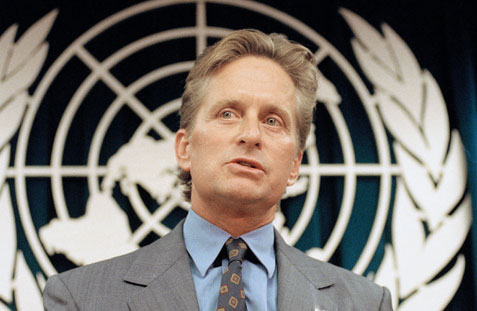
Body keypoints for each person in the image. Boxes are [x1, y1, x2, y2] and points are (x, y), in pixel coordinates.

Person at [43, 29, 393, 311]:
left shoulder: (363, 303)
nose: (251, 135)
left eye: (273, 121)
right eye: (228, 113)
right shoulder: (81, 299)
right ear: (185, 148)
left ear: (295, 165)